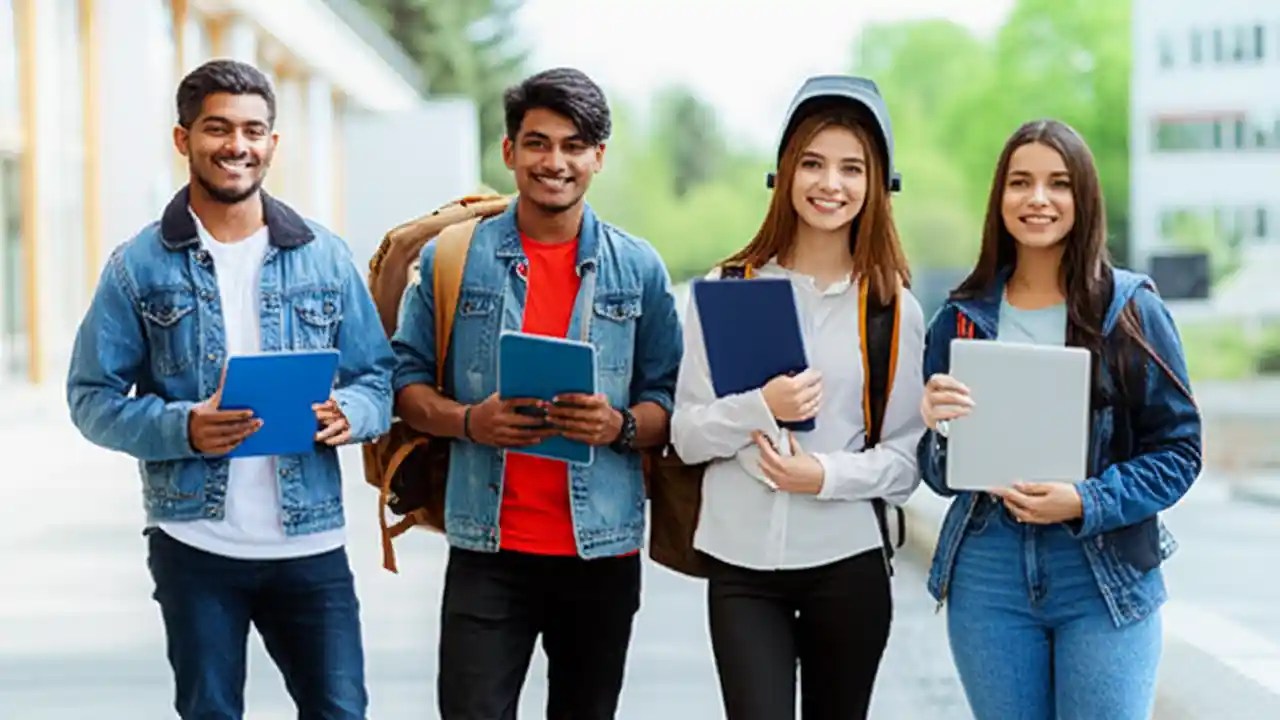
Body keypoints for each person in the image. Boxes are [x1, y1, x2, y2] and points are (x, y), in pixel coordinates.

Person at [66, 59, 394, 719]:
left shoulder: (325, 256)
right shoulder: (138, 265)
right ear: (184, 139)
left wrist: (349, 414)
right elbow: (90, 397)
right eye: (218, 128)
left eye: (253, 130)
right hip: (196, 544)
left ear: (272, 142)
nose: (237, 145)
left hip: (310, 544)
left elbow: (377, 377)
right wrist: (182, 427)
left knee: (342, 711)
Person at [390, 67, 682, 719]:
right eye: (538, 142)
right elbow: (404, 383)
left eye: (574, 145)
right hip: (487, 548)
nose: (555, 162)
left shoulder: (638, 268)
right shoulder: (453, 258)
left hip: (601, 551)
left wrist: (620, 425)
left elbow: (670, 403)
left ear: (598, 157)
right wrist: (470, 421)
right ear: (509, 152)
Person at [917, 119, 1202, 720]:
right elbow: (940, 473)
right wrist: (938, 429)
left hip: (1100, 575)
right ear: (1001, 198)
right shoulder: (961, 317)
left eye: (1058, 183)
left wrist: (1084, 499)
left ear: (1083, 199)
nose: (1038, 199)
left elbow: (1179, 451)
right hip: (988, 573)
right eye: (1020, 182)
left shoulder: (1131, 311)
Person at [669, 75, 926, 720]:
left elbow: (905, 461)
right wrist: (761, 405)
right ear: (783, 174)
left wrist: (823, 475)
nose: (829, 185)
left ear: (878, 186)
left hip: (847, 564)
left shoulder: (892, 310)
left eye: (851, 168)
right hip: (741, 566)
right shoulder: (725, 288)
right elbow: (687, 433)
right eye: (812, 164)